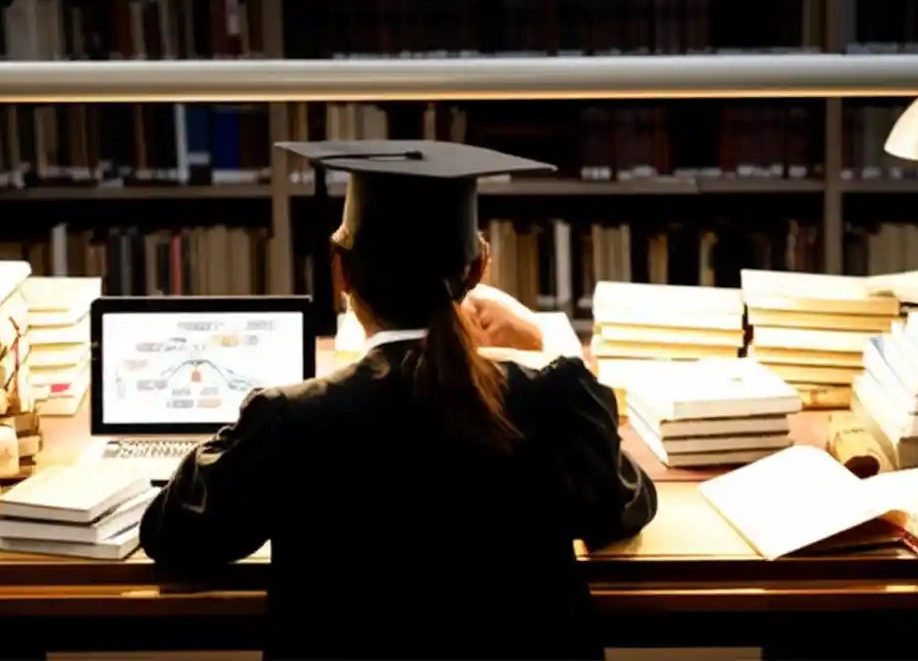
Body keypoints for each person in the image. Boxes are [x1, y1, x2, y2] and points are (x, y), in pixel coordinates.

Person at [139, 140, 658, 660]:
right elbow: (622, 504)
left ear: (341, 270)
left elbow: (173, 535)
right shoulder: (553, 398)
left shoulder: (293, 419)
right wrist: (544, 349)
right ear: (479, 270)